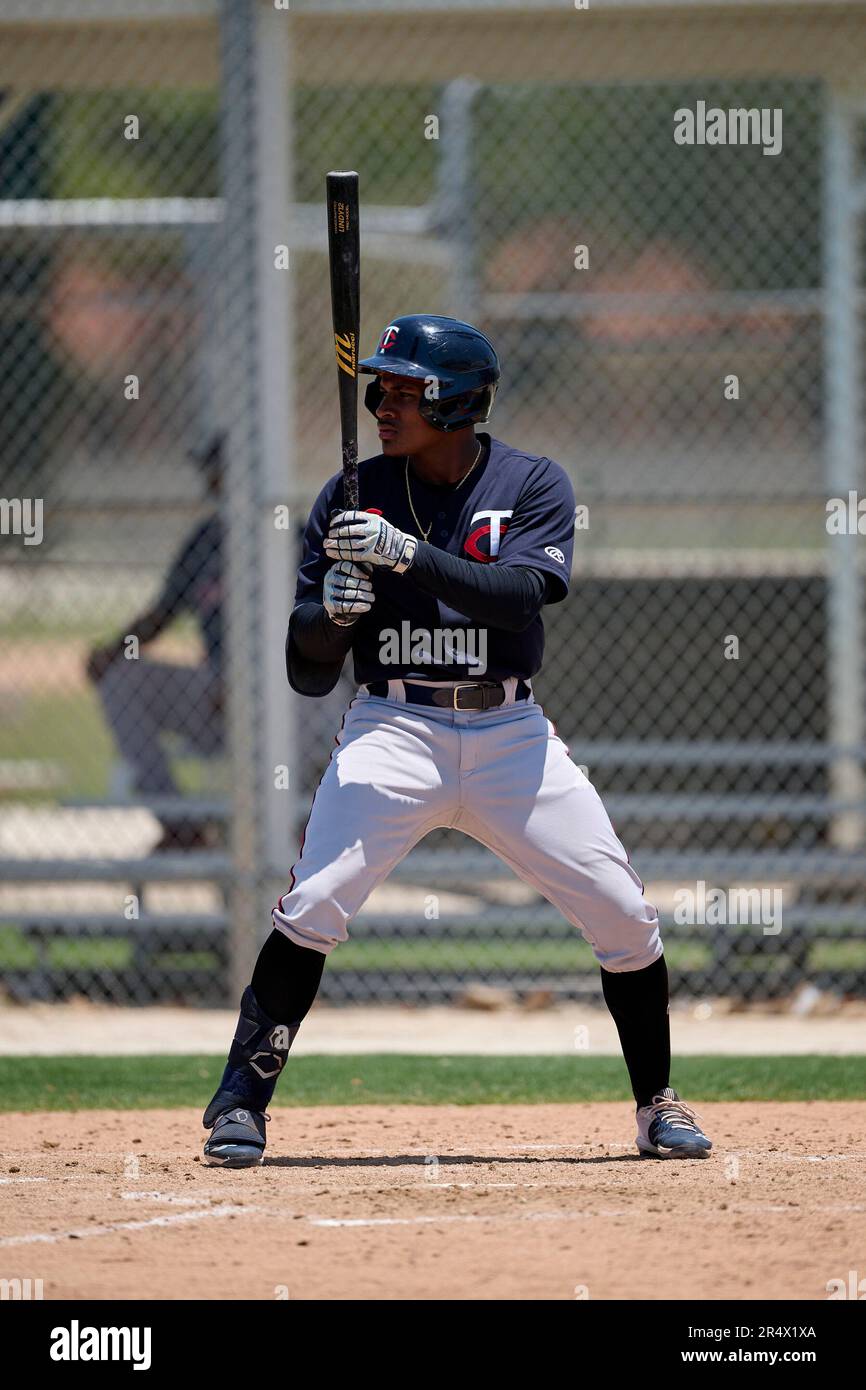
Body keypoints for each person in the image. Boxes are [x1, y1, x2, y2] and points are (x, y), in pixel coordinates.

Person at [200, 314, 712, 1166]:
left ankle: (657, 1103)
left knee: (625, 918)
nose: (382, 404)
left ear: (460, 400)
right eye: (381, 388)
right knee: (314, 902)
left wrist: (406, 557)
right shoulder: (349, 495)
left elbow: (518, 596)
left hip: (510, 731)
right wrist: (332, 614)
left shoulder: (533, 481)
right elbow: (308, 670)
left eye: (407, 390)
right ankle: (238, 1106)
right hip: (392, 725)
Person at [87, 435, 224, 851]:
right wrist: (114, 650)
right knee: (121, 681)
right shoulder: (205, 541)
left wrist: (254, 680)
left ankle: (302, 826)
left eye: (214, 471)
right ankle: (180, 824)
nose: (207, 481)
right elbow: (163, 613)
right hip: (213, 693)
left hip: (288, 698)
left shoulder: (292, 537)